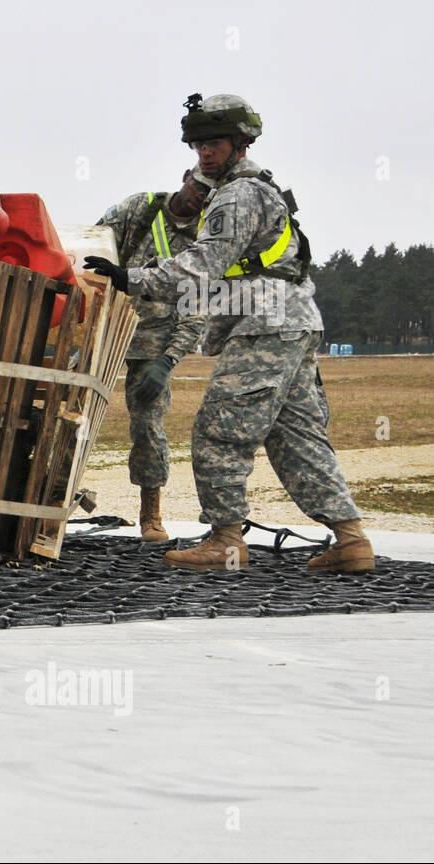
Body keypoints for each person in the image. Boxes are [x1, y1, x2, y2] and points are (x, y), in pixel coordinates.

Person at [85, 94, 373, 572]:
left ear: (240, 143)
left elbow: (204, 264)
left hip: (263, 325)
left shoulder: (237, 195)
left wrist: (130, 278)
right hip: (291, 320)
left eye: (214, 143)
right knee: (295, 434)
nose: (204, 153)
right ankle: (351, 540)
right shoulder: (258, 188)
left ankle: (225, 541)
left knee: (219, 431)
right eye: (198, 145)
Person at [96, 166, 212, 541]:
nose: (200, 196)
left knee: (148, 426)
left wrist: (166, 363)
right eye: (198, 186)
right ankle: (50, 499)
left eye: (209, 194)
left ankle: (151, 515)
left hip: (153, 342)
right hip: (103, 327)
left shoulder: (205, 242)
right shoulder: (140, 210)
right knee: (71, 418)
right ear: (186, 175)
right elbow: (95, 244)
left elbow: (196, 311)